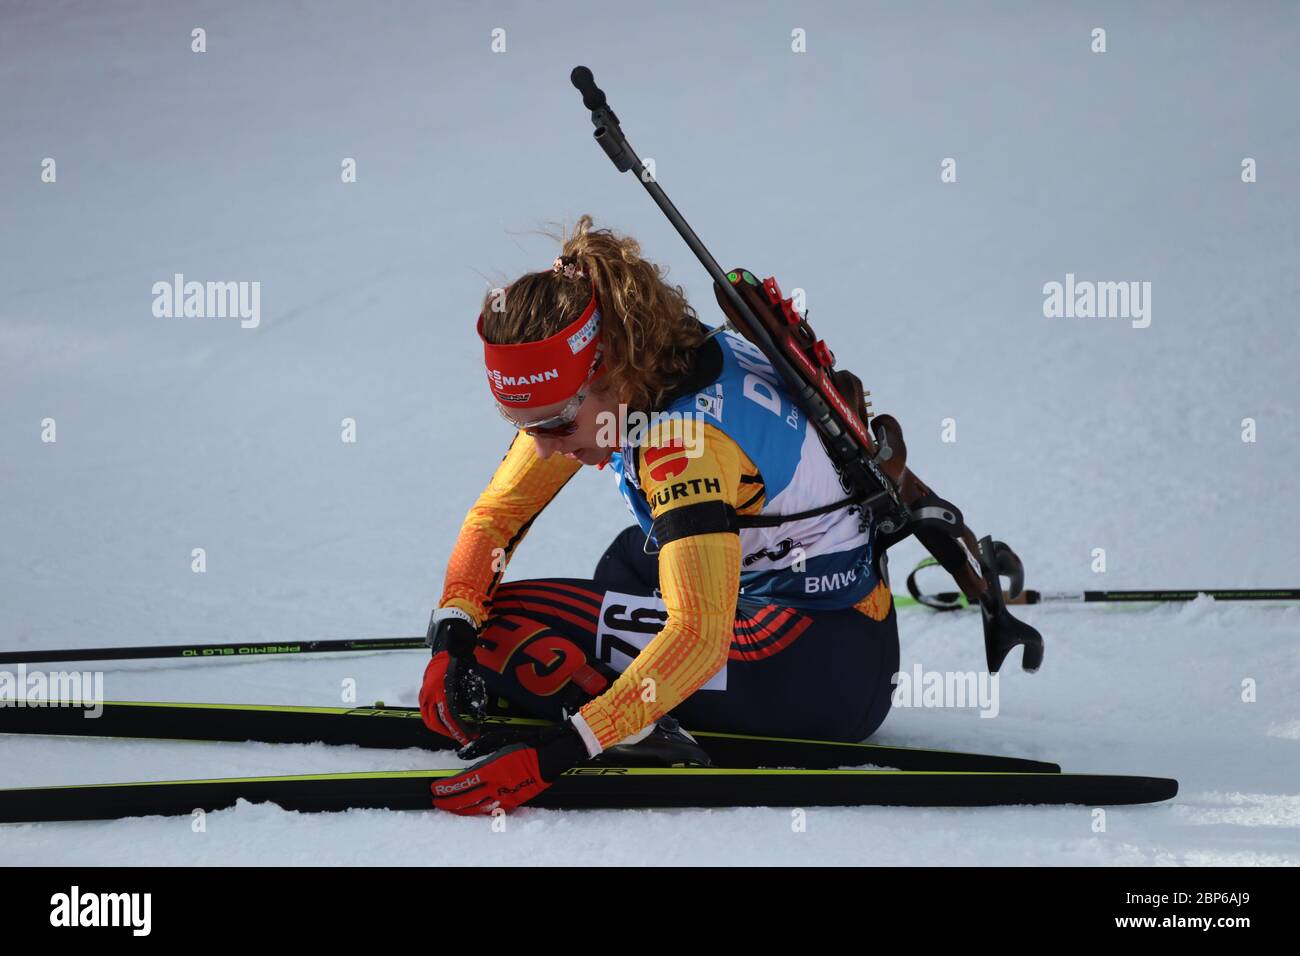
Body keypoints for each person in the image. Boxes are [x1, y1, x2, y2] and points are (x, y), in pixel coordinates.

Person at [421, 216, 898, 815]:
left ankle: (636, 731)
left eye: (557, 425)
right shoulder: (659, 361)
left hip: (811, 674)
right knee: (628, 557)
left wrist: (561, 752)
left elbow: (699, 638)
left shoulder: (681, 447)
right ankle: (630, 707)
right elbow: (500, 512)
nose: (542, 447)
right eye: (522, 426)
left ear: (609, 368)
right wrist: (450, 631)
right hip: (849, 642)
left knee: (506, 627)